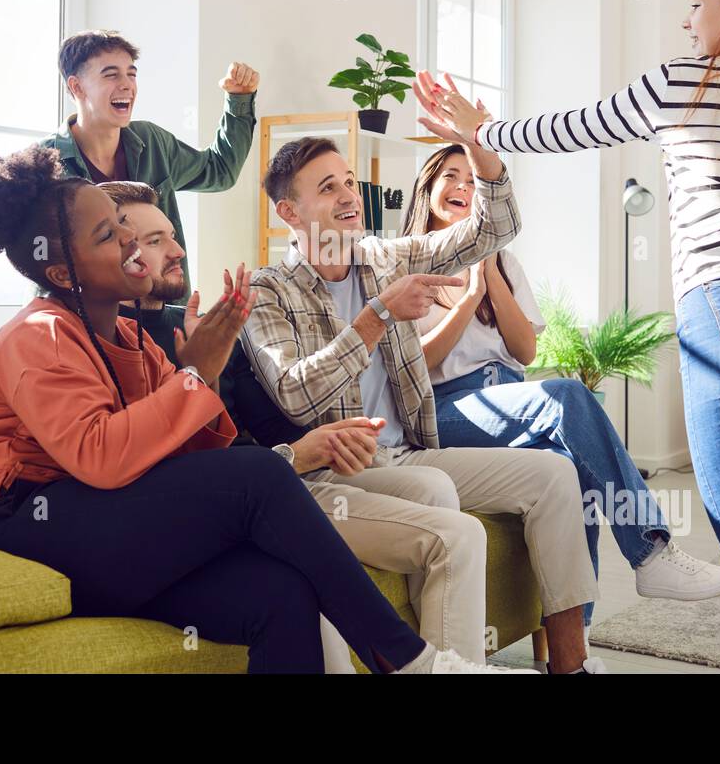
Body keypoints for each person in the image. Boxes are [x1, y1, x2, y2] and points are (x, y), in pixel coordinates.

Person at [414, 0, 720, 675]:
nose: (688, 17)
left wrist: (479, 130)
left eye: (698, 1)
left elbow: (574, 127)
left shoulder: (688, 85)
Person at [0, 145, 522, 674]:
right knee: (260, 473)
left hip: (106, 525)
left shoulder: (133, 337)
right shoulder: (36, 335)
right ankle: (411, 660)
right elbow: (101, 457)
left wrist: (203, 371)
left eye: (123, 225)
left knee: (282, 593)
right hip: (23, 527)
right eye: (106, 236)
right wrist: (195, 376)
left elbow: (195, 455)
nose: (130, 242)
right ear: (62, 272)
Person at [243, 135, 607, 674]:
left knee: (554, 475)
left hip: (408, 450)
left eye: (349, 181)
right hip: (334, 471)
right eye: (328, 187)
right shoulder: (267, 289)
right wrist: (375, 318)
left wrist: (482, 150)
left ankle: (569, 666)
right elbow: (297, 395)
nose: (349, 195)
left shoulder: (384, 258)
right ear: (289, 212)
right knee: (437, 496)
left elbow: (494, 230)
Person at [102, 179, 497, 671]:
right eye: (156, 241)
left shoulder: (204, 322)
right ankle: (419, 662)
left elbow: (267, 422)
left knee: (434, 490)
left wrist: (323, 441)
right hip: (227, 506)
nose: (179, 249)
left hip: (267, 483)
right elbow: (163, 470)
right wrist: (289, 449)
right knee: (304, 581)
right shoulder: (102, 341)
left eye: (172, 235)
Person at [402, 144, 720, 635]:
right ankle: (650, 549)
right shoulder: (403, 266)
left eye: (473, 182)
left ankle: (573, 645)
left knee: (573, 472)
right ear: (427, 189)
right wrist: (468, 299)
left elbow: (525, 351)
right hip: (446, 409)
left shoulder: (504, 263)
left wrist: (488, 274)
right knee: (569, 395)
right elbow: (415, 367)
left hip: (508, 398)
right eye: (451, 177)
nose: (463, 189)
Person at [41, 30, 259, 296]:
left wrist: (238, 100)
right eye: (111, 75)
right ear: (76, 87)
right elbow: (39, 254)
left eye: (131, 74)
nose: (126, 85)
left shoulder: (153, 141)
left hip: (160, 315)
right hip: (87, 321)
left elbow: (220, 171)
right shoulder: (44, 162)